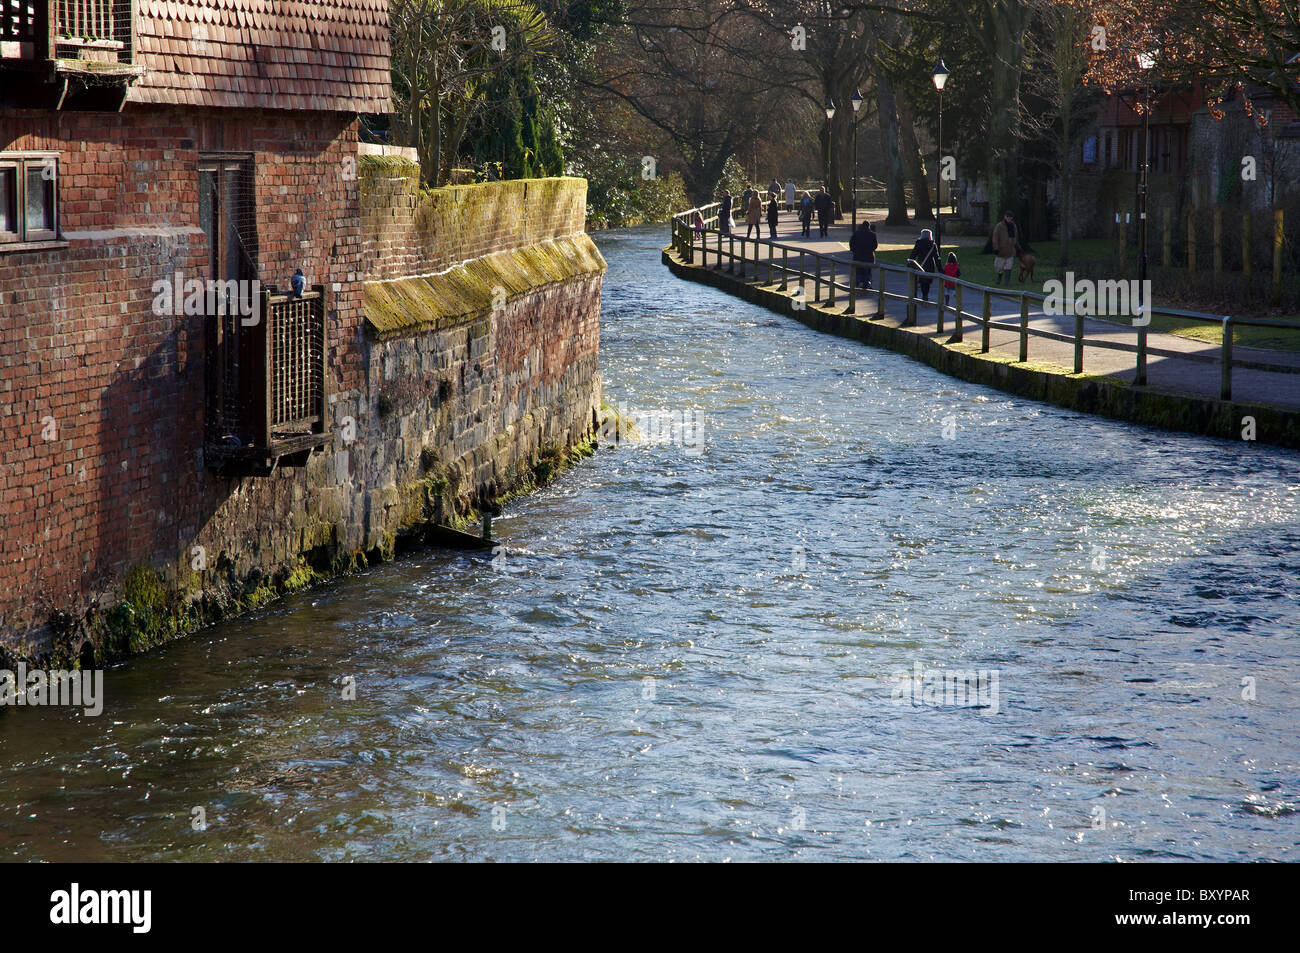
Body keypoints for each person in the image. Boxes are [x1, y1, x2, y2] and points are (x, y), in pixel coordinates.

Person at [908, 228, 941, 302]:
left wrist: (909, 263)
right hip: (930, 265)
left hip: (920, 264)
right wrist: (940, 269)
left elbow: (913, 254)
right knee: (927, 282)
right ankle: (925, 295)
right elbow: (936, 257)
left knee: (922, 281)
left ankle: (921, 295)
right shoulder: (933, 245)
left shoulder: (918, 243)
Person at [848, 220, 878, 290]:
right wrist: (871, 250)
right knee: (867, 271)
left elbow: (851, 243)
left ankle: (859, 282)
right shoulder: (872, 234)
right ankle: (867, 283)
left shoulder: (856, 233)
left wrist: (853, 250)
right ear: (869, 226)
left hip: (858, 255)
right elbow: (875, 246)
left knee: (858, 270)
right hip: (869, 256)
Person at [991, 210, 1018, 285]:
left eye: (1010, 217)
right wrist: (996, 248)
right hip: (1001, 250)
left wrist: (1015, 245)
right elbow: (995, 237)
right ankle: (999, 277)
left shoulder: (1014, 226)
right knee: (999, 266)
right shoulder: (999, 226)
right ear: (1004, 216)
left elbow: (1015, 236)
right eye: (1007, 216)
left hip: (1010, 250)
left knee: (1009, 266)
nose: (1009, 218)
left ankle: (1007, 281)